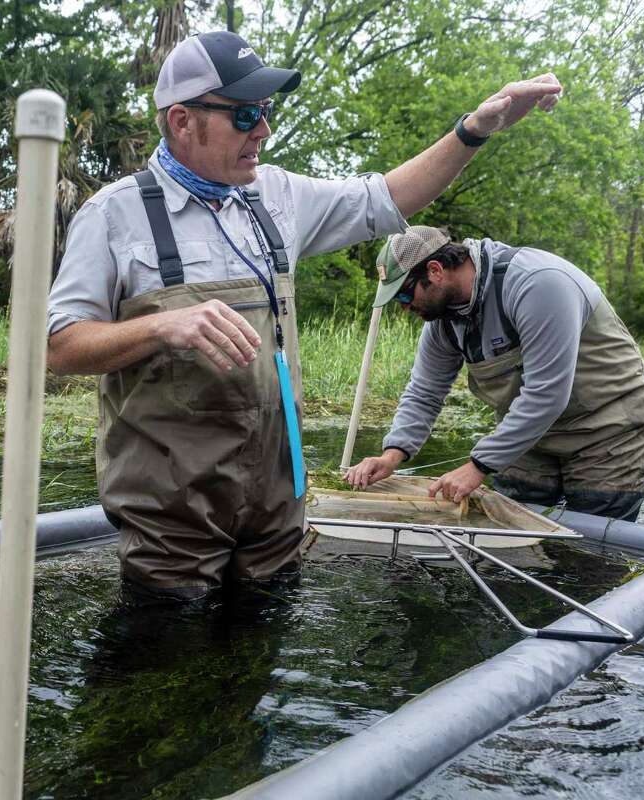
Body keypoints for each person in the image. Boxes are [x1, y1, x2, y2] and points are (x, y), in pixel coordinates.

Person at [46, 30, 561, 602]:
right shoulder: (113, 215)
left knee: (262, 649)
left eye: (264, 112)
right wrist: (163, 325)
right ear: (182, 121)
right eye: (244, 115)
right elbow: (61, 346)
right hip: (173, 512)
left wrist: (472, 131)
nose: (263, 130)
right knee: (169, 660)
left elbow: (386, 199)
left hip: (276, 505)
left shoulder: (278, 195)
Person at [345, 226, 644, 522]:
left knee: (590, 555)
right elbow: (424, 391)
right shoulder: (442, 321)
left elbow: (547, 394)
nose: (404, 307)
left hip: (609, 430)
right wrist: (392, 455)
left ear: (435, 271)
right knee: (510, 533)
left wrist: (478, 465)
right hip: (530, 438)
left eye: (403, 295)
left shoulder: (538, 283)